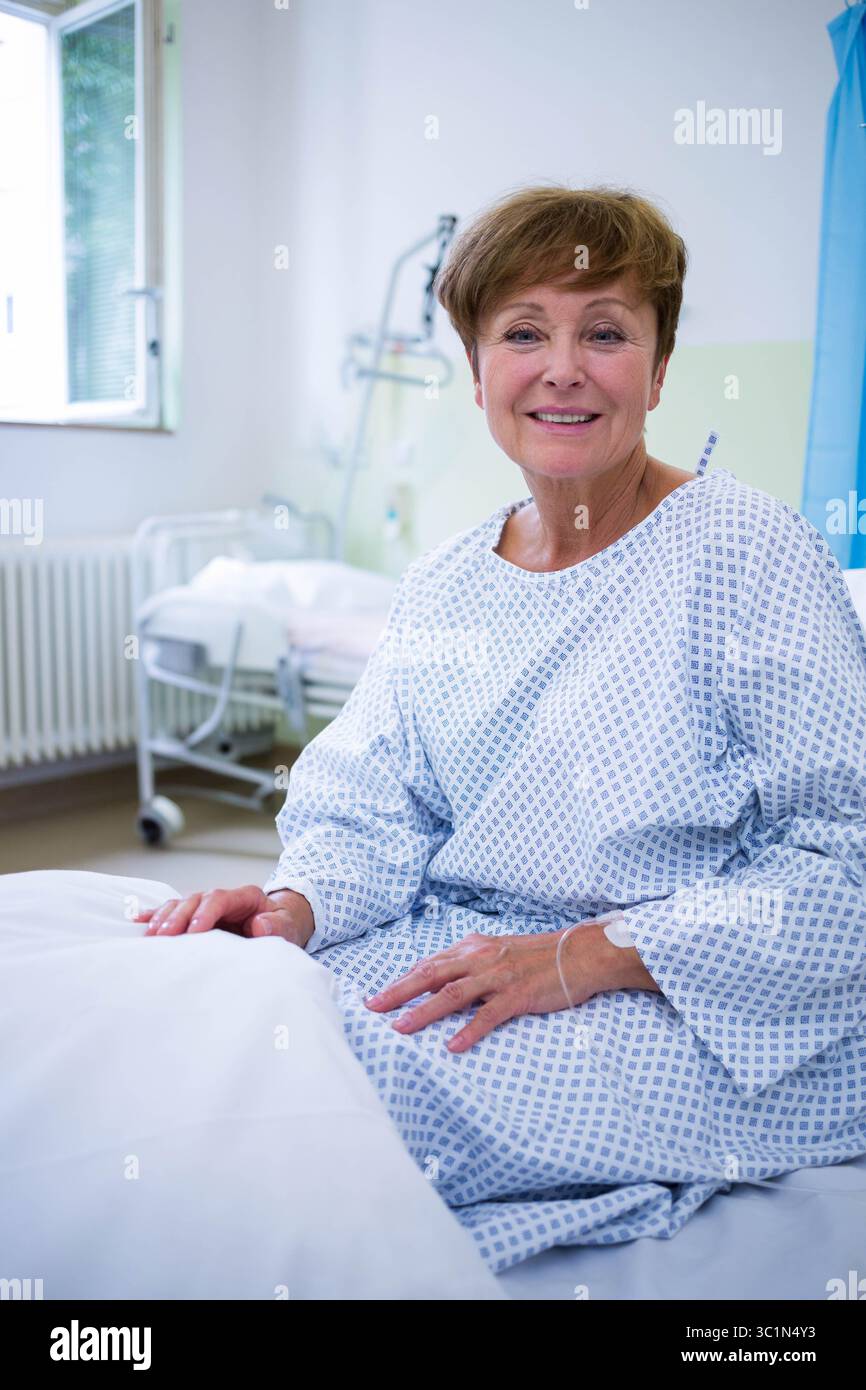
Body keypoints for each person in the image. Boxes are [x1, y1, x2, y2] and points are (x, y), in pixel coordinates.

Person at [136, 185, 866, 1275]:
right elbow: (371, 804)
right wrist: (294, 903)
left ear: (657, 369)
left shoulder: (745, 551)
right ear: (477, 372)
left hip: (683, 999)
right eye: (522, 331)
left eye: (604, 332)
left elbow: (841, 875)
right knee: (205, 1027)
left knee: (323, 1121)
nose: (562, 367)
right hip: (463, 949)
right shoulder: (442, 585)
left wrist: (581, 956)